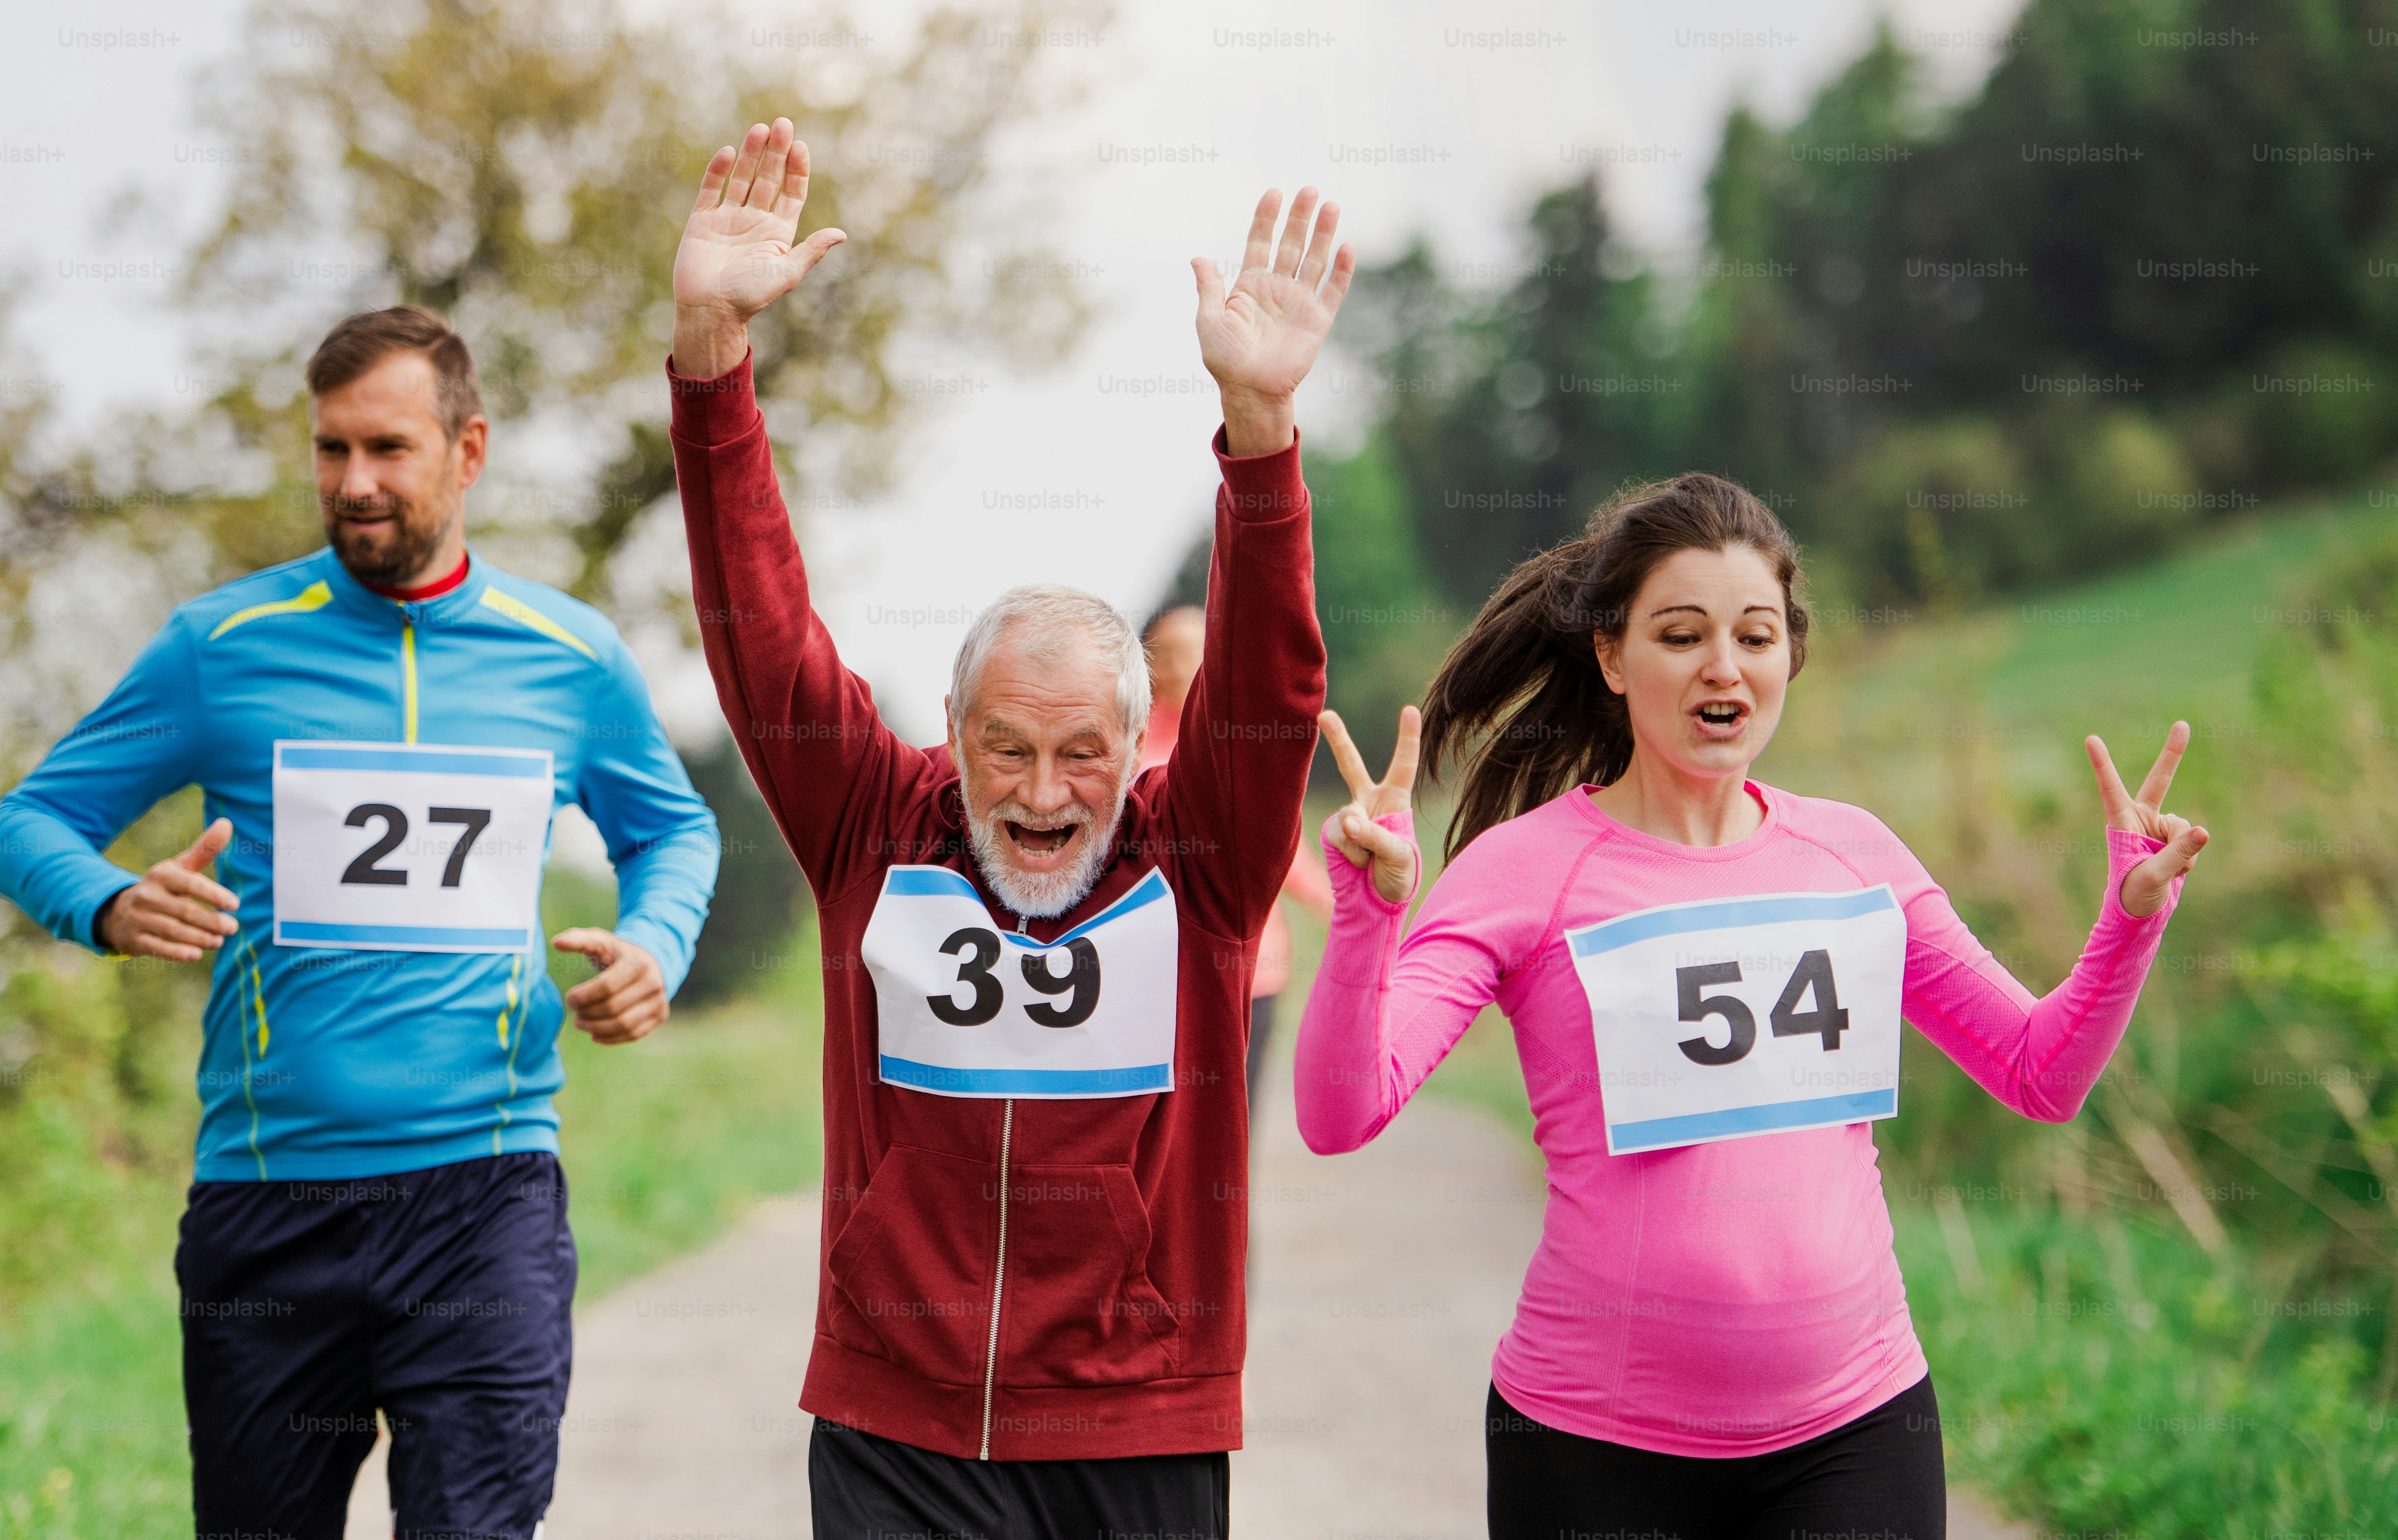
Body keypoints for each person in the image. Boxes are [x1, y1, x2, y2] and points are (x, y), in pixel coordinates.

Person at [663, 117, 1349, 1538]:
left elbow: (1271, 684)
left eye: (1083, 754)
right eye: (1008, 750)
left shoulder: (1201, 861)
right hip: (895, 1418)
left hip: (1135, 1413)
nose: (1044, 794)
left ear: (1135, 745)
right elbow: (761, 632)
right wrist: (712, 359)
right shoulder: (874, 821)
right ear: (953, 738)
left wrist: (1263, 441)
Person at [1294, 474, 2208, 1540]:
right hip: (1591, 1449)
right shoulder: (1522, 872)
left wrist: (2130, 917)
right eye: (1680, 635)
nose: (1723, 667)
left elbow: (2038, 1075)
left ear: (1788, 657)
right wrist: (1365, 914)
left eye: (1755, 636)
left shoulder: (1851, 855)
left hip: (1856, 1432)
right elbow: (1340, 1113)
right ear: (1610, 657)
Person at [0, 304, 720, 1540]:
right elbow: (31, 819)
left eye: (386, 448)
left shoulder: (569, 657)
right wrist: (108, 901)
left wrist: (657, 942)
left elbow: (673, 831)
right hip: (269, 1210)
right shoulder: (221, 646)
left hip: (485, 1198)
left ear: (467, 451)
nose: (354, 482)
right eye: (331, 451)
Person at [1140, 605, 1333, 1116]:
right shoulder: (1125, 749)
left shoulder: (1238, 743)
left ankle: (1231, 1200)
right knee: (1164, 1126)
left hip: (1252, 972)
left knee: (1236, 1120)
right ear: (1149, 666)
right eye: (1174, 655)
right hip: (1157, 974)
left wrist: (1341, 909)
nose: (1189, 668)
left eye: (1200, 653)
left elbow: (1281, 846)